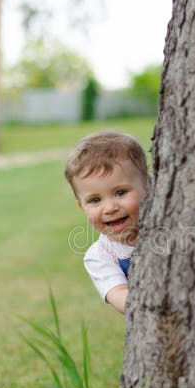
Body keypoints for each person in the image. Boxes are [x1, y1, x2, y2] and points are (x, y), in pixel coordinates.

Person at [64, 131, 148, 314]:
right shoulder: (100, 256)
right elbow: (119, 295)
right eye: (95, 200)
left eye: (120, 192)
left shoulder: (167, 227)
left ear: (147, 185)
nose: (109, 208)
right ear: (81, 206)